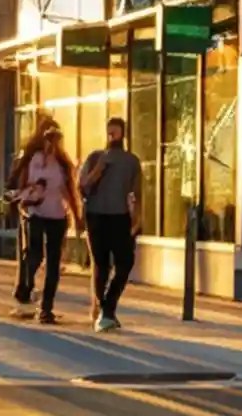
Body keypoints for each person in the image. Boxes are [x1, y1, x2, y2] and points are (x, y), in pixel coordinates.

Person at [14, 125, 83, 324]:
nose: (52, 144)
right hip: (36, 212)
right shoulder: (35, 160)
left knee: (53, 263)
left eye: (55, 140)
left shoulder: (61, 164)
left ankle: (46, 307)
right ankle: (27, 283)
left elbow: (67, 191)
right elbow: (27, 183)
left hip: (56, 216)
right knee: (34, 254)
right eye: (49, 140)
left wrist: (76, 215)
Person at [80, 117, 142, 332]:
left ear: (123, 134)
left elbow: (136, 193)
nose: (112, 137)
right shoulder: (96, 157)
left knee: (125, 261)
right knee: (101, 264)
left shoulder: (131, 161)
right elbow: (83, 186)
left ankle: (107, 306)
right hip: (96, 215)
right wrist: (98, 169)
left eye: (115, 133)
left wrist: (137, 219)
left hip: (119, 216)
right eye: (109, 133)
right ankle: (105, 312)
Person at [8, 116, 60, 316]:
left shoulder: (34, 154)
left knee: (28, 250)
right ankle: (24, 286)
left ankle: (24, 287)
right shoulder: (30, 155)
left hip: (32, 208)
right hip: (30, 206)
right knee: (31, 251)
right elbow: (17, 180)